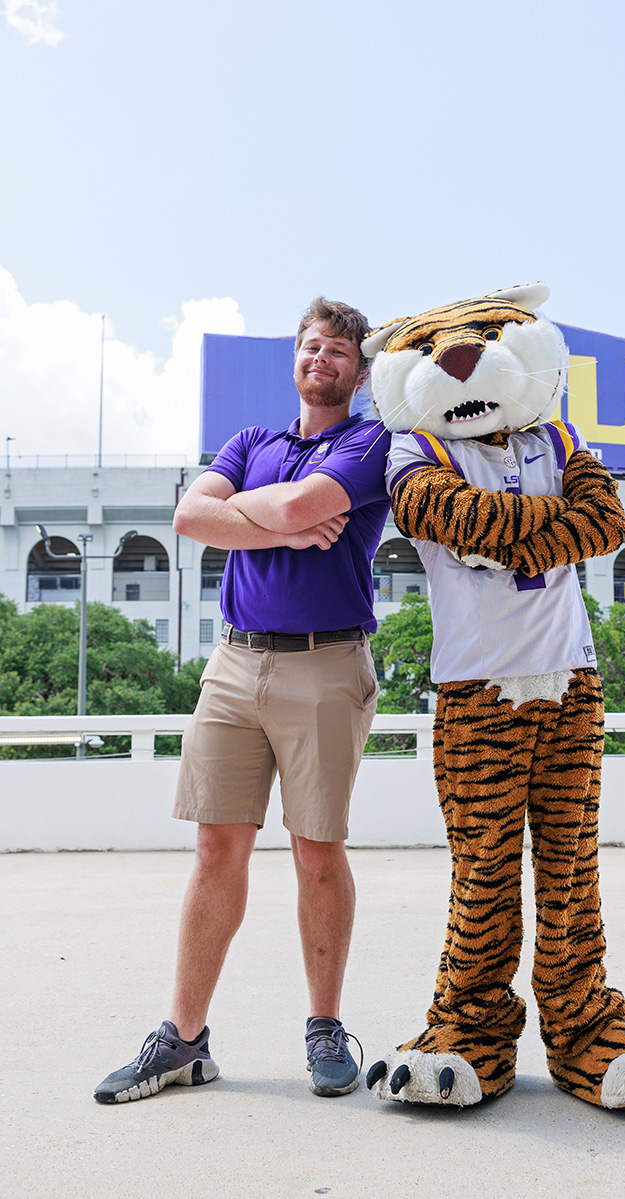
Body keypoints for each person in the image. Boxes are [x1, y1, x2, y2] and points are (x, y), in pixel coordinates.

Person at [94, 298, 391, 1104]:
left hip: (326, 665)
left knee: (315, 851)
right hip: (234, 663)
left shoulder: (369, 441)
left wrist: (254, 520)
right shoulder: (251, 440)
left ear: (360, 371)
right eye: (310, 345)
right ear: (294, 358)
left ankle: (325, 1027)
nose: (320, 357)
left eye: (337, 350)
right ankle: (183, 1040)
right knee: (215, 851)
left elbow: (287, 505)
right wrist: (287, 533)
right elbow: (191, 514)